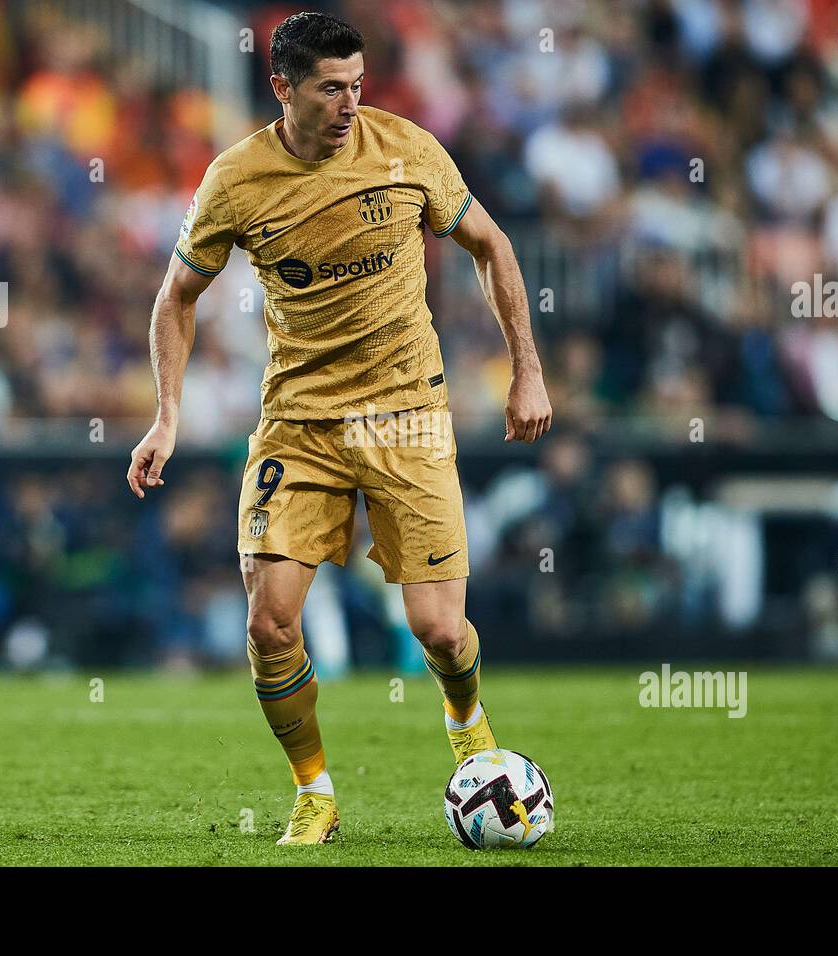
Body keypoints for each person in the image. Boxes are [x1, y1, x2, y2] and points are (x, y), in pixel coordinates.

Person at [126, 11, 551, 844]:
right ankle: (314, 789)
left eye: (358, 84)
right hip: (298, 424)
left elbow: (491, 245)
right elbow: (175, 297)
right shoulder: (235, 180)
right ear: (282, 86)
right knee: (268, 623)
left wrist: (527, 369)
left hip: (411, 416)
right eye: (331, 87)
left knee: (438, 629)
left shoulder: (407, 148)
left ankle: (466, 722)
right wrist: (166, 417)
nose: (350, 103)